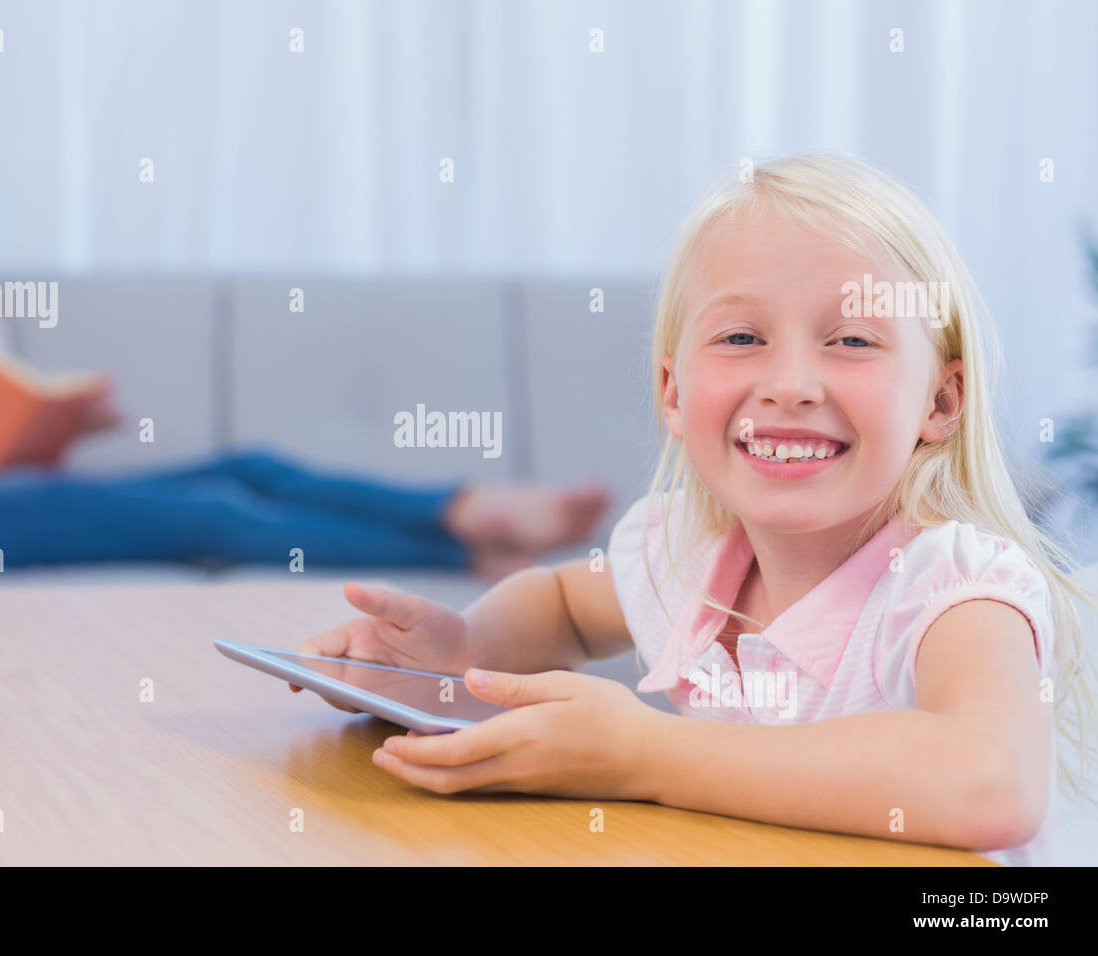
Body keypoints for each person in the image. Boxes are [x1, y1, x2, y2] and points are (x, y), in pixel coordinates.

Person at [292, 154, 1098, 866]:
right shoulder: (683, 547)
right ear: (673, 393)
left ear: (941, 399)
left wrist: (644, 755)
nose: (790, 382)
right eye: (742, 338)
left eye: (852, 341)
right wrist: (463, 649)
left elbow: (992, 783)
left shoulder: (951, 586)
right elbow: (569, 608)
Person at [0, 113, 608, 575]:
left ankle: (463, 506)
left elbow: (2, 437)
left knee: (249, 464)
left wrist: (56, 426)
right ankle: (468, 555)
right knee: (214, 516)